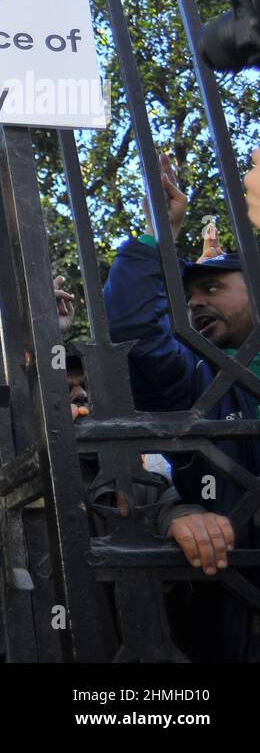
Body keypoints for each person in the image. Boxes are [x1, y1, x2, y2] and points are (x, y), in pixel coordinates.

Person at [103, 152, 259, 661]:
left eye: (212, 288)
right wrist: (154, 237)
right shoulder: (194, 379)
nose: (194, 304)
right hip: (235, 592)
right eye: (187, 297)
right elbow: (135, 331)